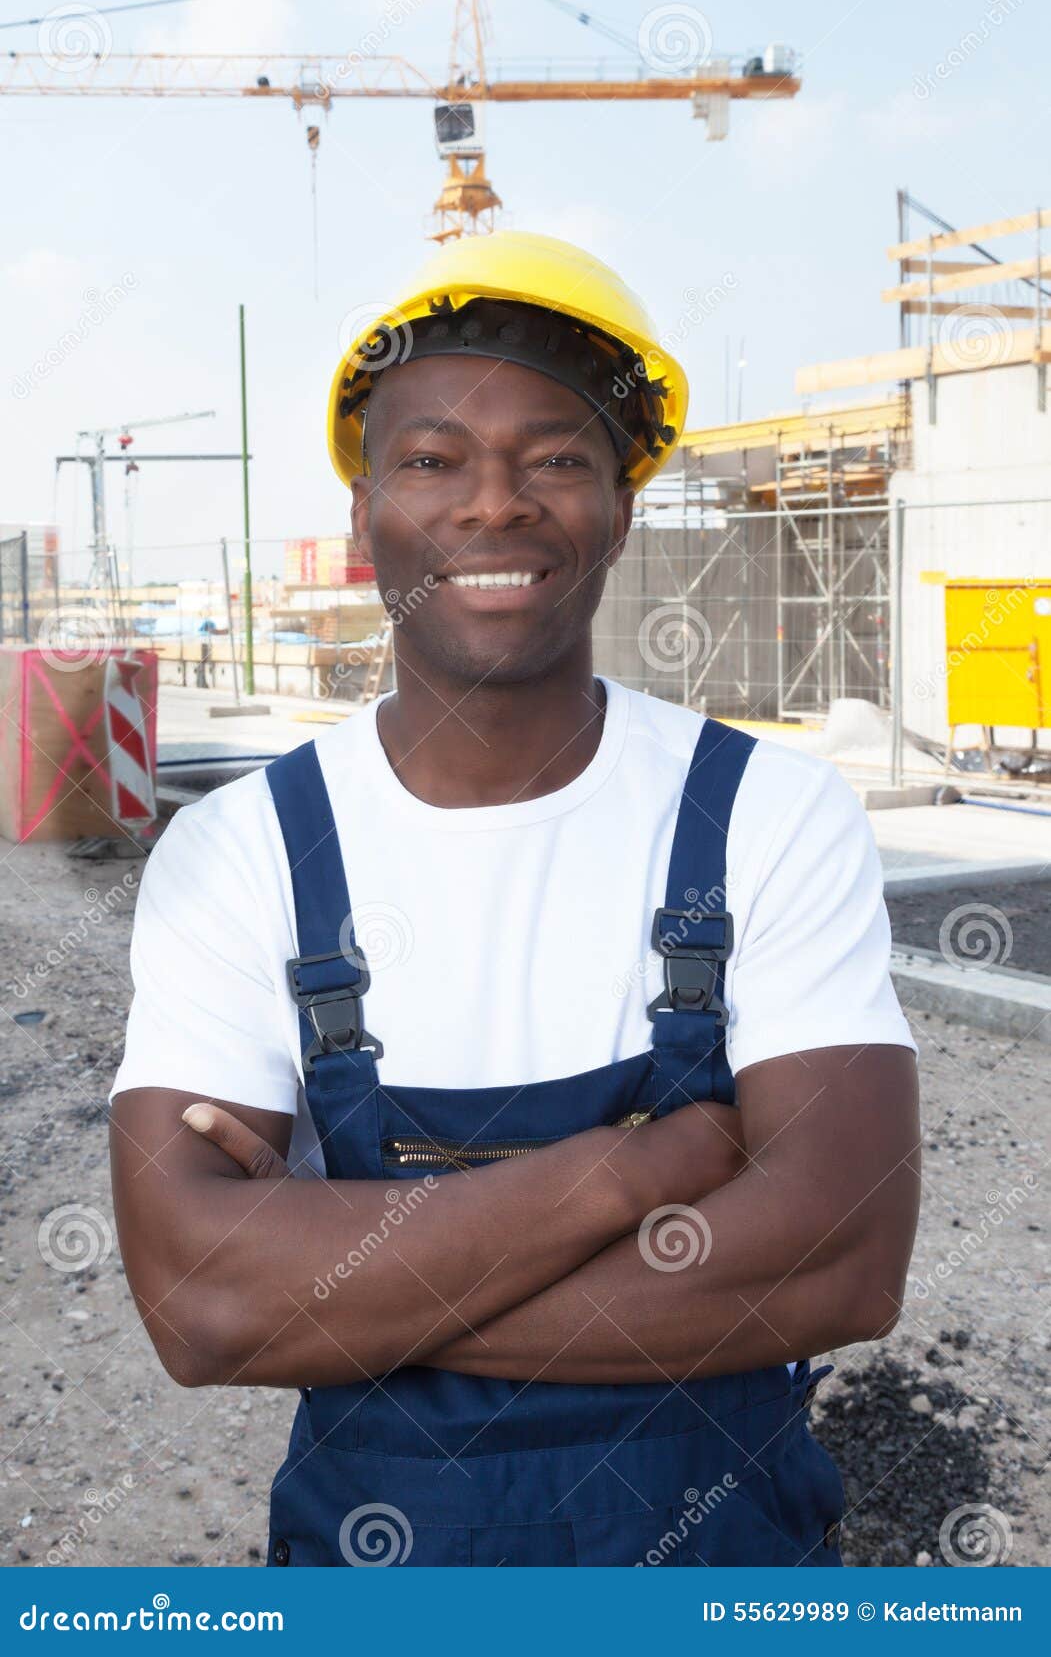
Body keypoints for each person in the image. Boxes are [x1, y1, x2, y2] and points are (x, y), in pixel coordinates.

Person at [109, 230, 920, 1568]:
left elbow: (839, 1266)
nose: (494, 504)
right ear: (367, 512)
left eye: (555, 457)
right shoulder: (244, 852)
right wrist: (647, 1163)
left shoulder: (770, 815)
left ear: (620, 503)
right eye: (431, 460)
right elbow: (198, 1308)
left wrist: (335, 1288)